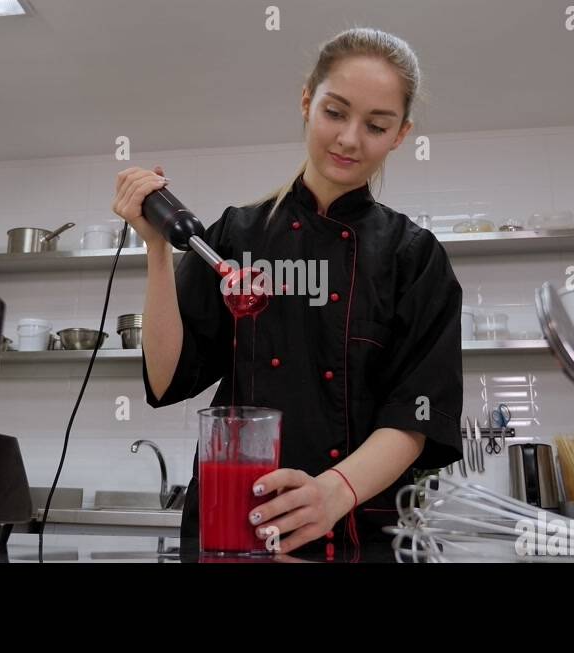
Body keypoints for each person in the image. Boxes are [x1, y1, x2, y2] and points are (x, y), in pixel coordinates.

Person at [112, 27, 463, 560]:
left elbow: (413, 417)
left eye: (376, 125)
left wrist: (332, 492)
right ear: (307, 102)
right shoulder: (236, 236)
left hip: (355, 533)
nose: (349, 139)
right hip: (233, 524)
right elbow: (166, 378)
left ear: (400, 134)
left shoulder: (413, 257)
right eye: (335, 112)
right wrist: (156, 251)